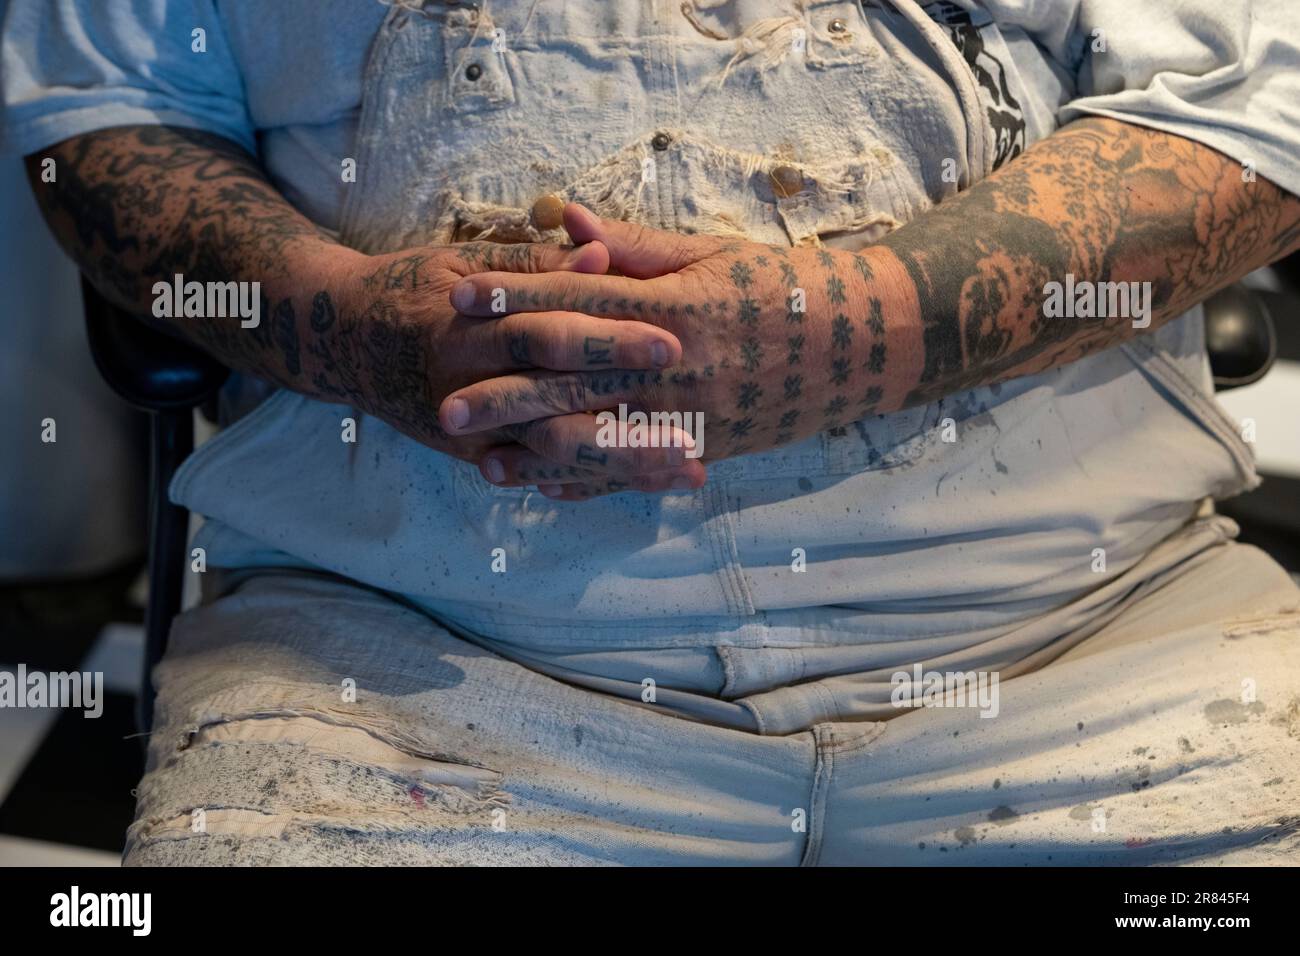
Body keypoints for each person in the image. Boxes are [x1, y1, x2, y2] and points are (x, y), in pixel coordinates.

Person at [6, 0, 1300, 865]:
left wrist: (875, 318)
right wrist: (356, 328)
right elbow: (100, 119)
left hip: (1090, 651)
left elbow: (1258, 108)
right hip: (407, 681)